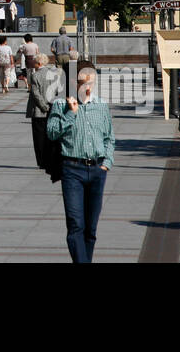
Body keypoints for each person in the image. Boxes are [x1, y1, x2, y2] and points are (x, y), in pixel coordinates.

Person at [46, 67, 114, 263]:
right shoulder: (61, 104)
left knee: (91, 228)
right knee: (76, 224)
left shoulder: (101, 105)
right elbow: (51, 132)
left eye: (91, 83)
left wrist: (106, 164)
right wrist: (70, 114)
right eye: (83, 83)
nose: (87, 88)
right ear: (74, 83)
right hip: (72, 170)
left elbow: (109, 137)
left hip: (97, 170)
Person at [27, 53, 64, 173]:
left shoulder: (35, 76)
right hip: (51, 108)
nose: (33, 63)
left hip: (38, 111)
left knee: (38, 137)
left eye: (35, 62)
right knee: (50, 136)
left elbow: (35, 94)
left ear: (39, 63)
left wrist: (43, 106)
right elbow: (58, 90)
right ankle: (49, 160)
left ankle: (41, 161)